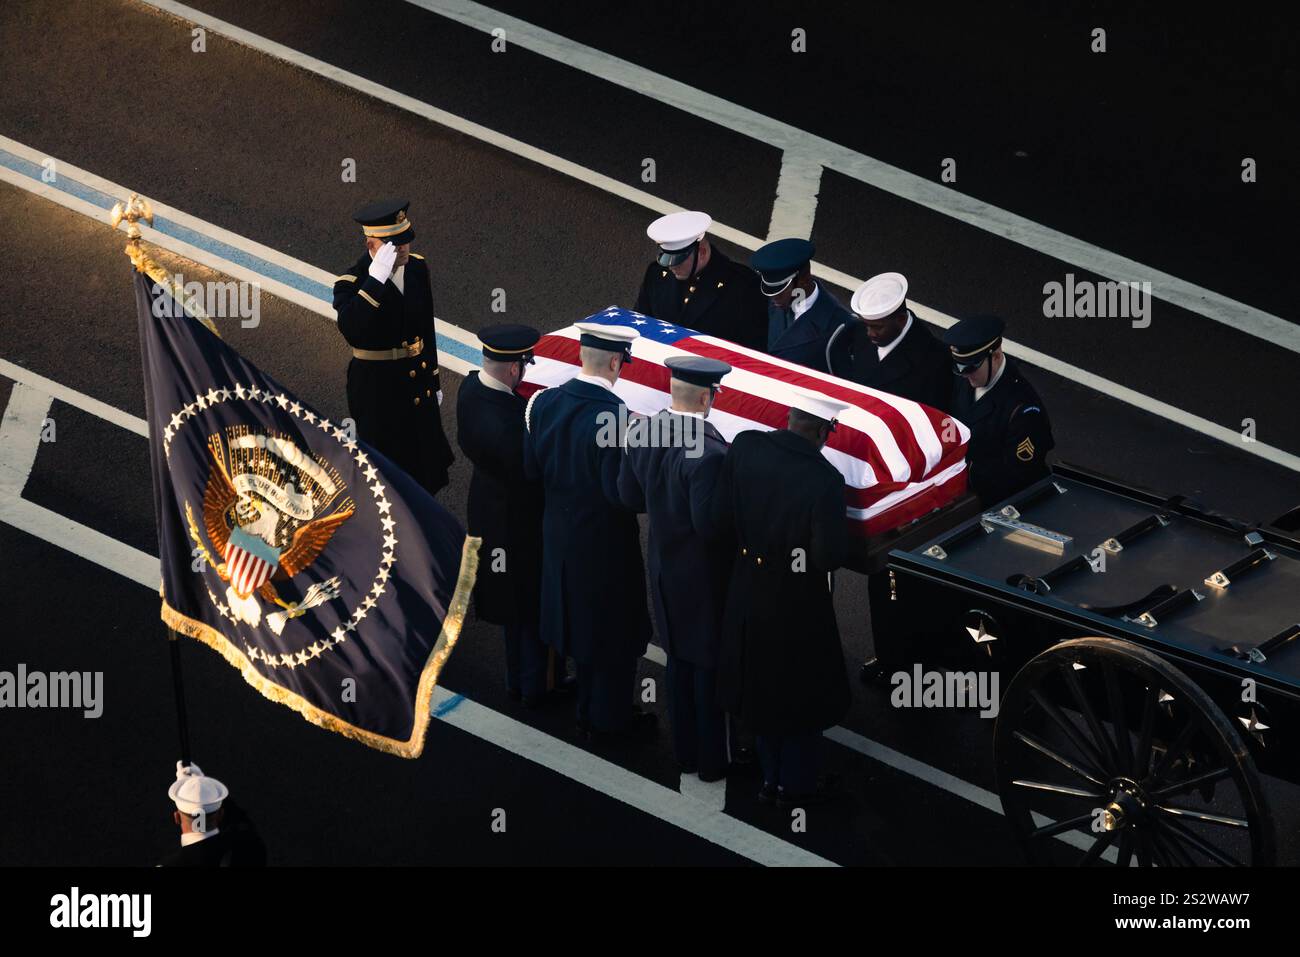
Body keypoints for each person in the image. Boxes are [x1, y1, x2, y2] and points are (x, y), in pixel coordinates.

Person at [710, 387, 852, 806]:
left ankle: (770, 776)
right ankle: (796, 783)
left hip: (747, 584)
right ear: (826, 432)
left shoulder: (747, 446)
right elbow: (827, 556)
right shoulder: (825, 479)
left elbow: (722, 513)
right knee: (798, 694)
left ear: (789, 417)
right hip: (796, 599)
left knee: (758, 682)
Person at [523, 320, 655, 743]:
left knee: (579, 623)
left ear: (582, 357)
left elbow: (531, 469)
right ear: (617, 363)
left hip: (560, 536)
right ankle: (608, 721)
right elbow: (624, 495)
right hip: (606, 544)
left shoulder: (543, 404)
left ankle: (587, 709)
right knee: (614, 632)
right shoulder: (617, 418)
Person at [617, 356, 734, 780]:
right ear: (706, 396)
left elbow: (629, 496)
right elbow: (710, 527)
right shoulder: (711, 452)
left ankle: (685, 751)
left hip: (663, 566)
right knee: (707, 665)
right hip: (703, 576)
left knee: (679, 660)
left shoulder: (642, 432)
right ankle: (713, 760)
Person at [457, 323, 557, 707]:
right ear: (515, 369)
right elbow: (532, 471)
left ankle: (517, 679)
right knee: (530, 603)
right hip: (517, 520)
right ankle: (536, 687)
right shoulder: (508, 423)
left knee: (512, 605)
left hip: (487, 506)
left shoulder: (470, 390)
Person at [333, 199, 454, 496]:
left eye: (404, 243)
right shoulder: (351, 283)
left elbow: (425, 327)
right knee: (388, 469)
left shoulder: (416, 268)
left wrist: (434, 378)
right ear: (371, 245)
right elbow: (352, 330)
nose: (403, 250)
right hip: (378, 388)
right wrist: (376, 281)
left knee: (425, 463)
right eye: (393, 245)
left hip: (417, 378)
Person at [943, 315, 1054, 506]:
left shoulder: (1024, 410)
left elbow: (1016, 474)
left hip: (1008, 504)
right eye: (960, 367)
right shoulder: (967, 379)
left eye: (970, 368)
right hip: (968, 492)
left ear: (995, 356)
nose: (965, 375)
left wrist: (961, 474)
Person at [634, 211, 768, 351]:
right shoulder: (655, 274)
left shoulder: (743, 286)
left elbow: (753, 347)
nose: (671, 266)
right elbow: (639, 321)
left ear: (702, 252)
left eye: (679, 261)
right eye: (668, 259)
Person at [826, 272, 953, 411]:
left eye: (877, 327)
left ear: (901, 319)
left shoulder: (937, 359)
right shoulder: (862, 330)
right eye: (867, 325)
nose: (869, 333)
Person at [751, 238, 853, 372]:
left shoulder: (841, 325)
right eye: (771, 291)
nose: (774, 298)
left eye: (781, 291)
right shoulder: (776, 301)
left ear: (804, 280)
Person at [159, 762, 265, 867]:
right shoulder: (250, 853)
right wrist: (205, 785)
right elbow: (244, 824)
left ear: (177, 818)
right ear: (221, 815)